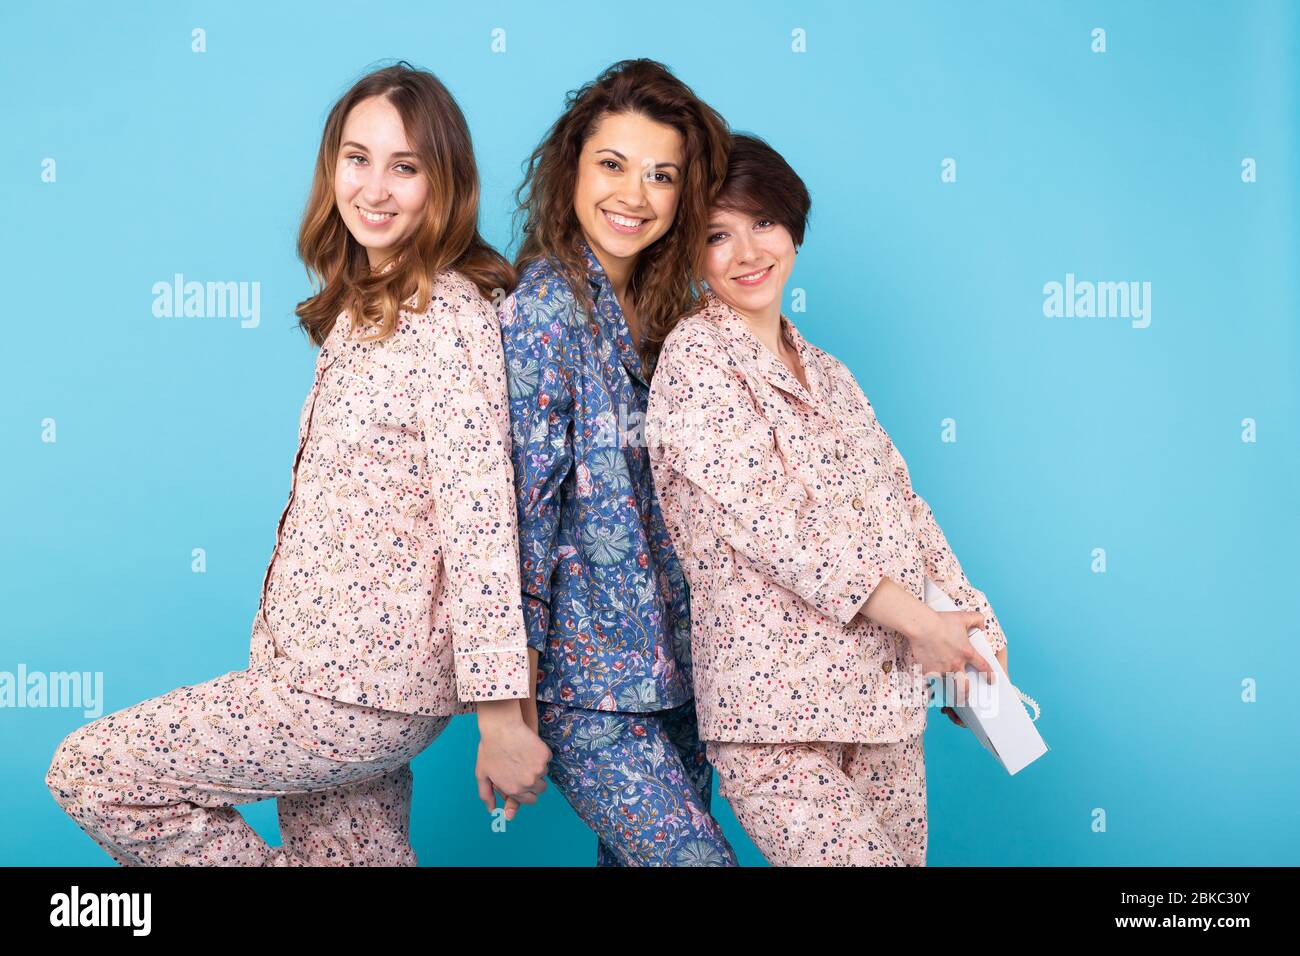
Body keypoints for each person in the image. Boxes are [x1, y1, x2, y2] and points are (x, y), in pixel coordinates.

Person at [44, 63, 550, 866]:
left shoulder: (446, 317)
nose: (375, 188)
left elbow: (482, 521)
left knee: (97, 770)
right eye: (358, 158)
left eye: (405, 166)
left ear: (443, 184)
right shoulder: (367, 306)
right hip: (315, 663)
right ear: (331, 168)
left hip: (354, 688)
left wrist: (501, 716)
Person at [645, 134, 1011, 866]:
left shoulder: (831, 373)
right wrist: (920, 623)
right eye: (717, 235)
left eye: (763, 223)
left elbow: (904, 511)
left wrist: (974, 639)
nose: (748, 251)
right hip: (776, 716)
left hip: (884, 705)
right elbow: (774, 527)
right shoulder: (694, 362)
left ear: (792, 227)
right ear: (688, 250)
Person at [498, 59, 738, 865]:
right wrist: (508, 707)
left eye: (661, 175)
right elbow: (519, 519)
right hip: (587, 686)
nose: (634, 195)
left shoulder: (684, 324)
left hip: (683, 668)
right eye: (612, 164)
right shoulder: (541, 312)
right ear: (572, 167)